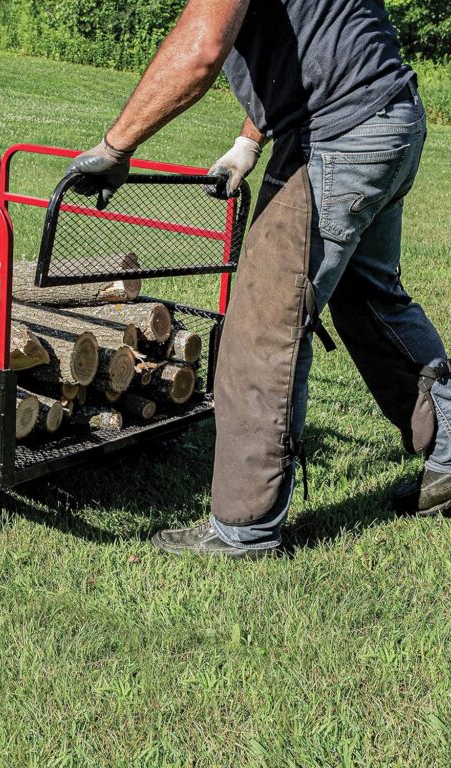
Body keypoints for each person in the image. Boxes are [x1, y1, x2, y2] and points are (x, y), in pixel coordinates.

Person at [68, 0, 451, 558]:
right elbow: (303, 48)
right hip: (390, 115)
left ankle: (244, 529)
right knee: (372, 302)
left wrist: (116, 147)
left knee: (263, 327)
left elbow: (200, 50)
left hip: (338, 134)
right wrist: (249, 142)